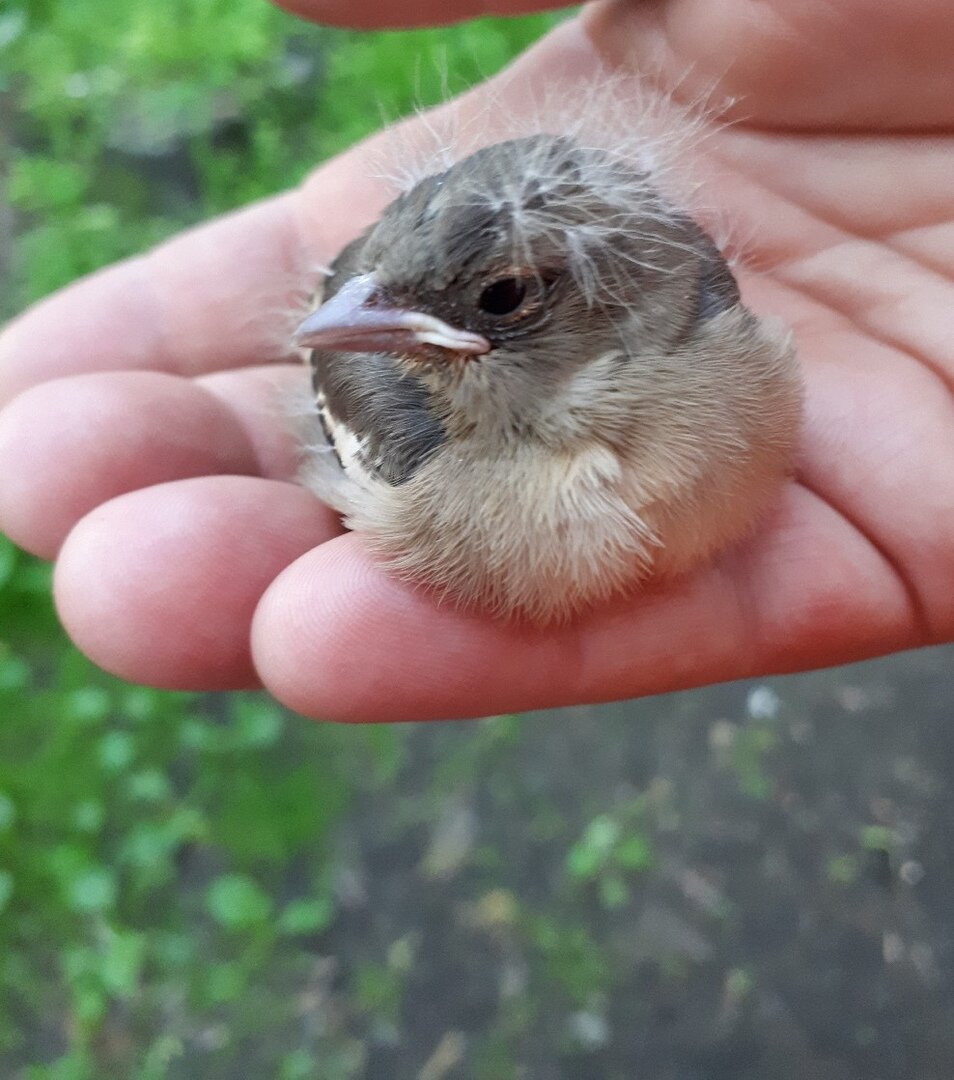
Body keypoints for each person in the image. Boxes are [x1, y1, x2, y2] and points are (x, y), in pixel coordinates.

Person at [0, 0, 950, 722]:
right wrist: (427, 315)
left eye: (501, 300)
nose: (354, 324)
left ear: (616, 305)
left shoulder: (723, 355)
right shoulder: (409, 432)